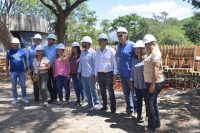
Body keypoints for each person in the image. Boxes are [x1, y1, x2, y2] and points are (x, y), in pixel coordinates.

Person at [143, 34, 165, 133]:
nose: (147, 46)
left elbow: (156, 70)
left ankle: (151, 128)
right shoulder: (150, 53)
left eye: (149, 44)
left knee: (150, 103)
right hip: (151, 82)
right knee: (153, 102)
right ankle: (157, 122)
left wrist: (152, 85)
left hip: (155, 82)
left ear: (153, 44)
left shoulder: (155, 53)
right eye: (146, 45)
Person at [94, 33, 118, 114]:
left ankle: (113, 108)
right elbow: (96, 64)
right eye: (99, 40)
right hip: (100, 74)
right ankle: (104, 106)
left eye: (101, 40)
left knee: (111, 91)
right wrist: (96, 75)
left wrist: (115, 73)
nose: (99, 42)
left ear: (106, 41)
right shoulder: (97, 51)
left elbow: (115, 63)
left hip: (109, 74)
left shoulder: (111, 50)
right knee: (102, 91)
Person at [115, 27, 137, 115]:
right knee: (126, 93)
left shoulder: (133, 45)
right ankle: (129, 108)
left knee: (134, 94)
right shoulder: (119, 46)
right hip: (122, 74)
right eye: (118, 35)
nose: (119, 37)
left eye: (120, 35)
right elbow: (117, 58)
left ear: (126, 35)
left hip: (131, 74)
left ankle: (136, 111)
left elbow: (137, 59)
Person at [77, 36, 99, 110]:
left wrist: (94, 74)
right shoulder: (82, 52)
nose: (83, 44)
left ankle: (96, 103)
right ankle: (90, 104)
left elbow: (96, 64)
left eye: (85, 43)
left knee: (93, 90)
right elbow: (80, 63)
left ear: (89, 44)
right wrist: (78, 72)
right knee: (86, 90)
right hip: (83, 75)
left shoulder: (93, 53)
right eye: (83, 43)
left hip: (90, 75)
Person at [6, 38, 29, 104]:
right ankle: (15, 98)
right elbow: (7, 61)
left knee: (23, 85)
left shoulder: (22, 51)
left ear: (18, 44)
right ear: (11, 44)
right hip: (12, 71)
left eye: (16, 44)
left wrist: (27, 68)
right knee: (14, 85)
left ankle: (24, 97)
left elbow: (26, 60)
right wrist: (7, 71)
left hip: (21, 71)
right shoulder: (8, 51)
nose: (15, 45)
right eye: (13, 44)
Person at [131, 40, 148, 122]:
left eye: (137, 49)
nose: (136, 51)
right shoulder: (134, 60)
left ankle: (148, 116)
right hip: (137, 85)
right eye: (135, 49)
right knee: (138, 100)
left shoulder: (146, 61)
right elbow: (132, 72)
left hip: (145, 85)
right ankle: (139, 115)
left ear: (142, 49)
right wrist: (132, 81)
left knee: (147, 101)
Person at [27, 34, 43, 102]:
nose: (36, 41)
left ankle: (43, 97)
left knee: (42, 84)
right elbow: (27, 59)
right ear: (33, 40)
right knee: (35, 83)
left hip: (42, 69)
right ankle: (36, 97)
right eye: (35, 39)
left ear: (40, 40)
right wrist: (28, 68)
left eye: (38, 40)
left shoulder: (43, 48)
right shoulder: (29, 48)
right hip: (33, 70)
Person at [69, 42, 84, 106]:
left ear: (77, 48)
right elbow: (69, 65)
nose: (73, 49)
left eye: (75, 48)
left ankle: (83, 99)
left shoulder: (81, 55)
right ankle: (78, 99)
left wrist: (79, 72)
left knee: (80, 87)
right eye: (73, 48)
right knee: (75, 87)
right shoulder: (71, 56)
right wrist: (69, 73)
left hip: (79, 74)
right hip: (73, 74)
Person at [44, 33, 57, 103]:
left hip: (55, 68)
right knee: (48, 82)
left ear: (53, 40)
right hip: (46, 68)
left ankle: (55, 96)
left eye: (50, 39)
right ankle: (52, 96)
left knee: (54, 82)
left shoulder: (56, 47)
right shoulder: (45, 47)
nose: (48, 40)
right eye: (48, 39)